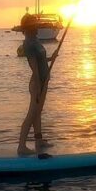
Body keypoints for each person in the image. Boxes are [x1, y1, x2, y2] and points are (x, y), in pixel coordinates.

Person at [17, 14, 58, 156]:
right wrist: (39, 87)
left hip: (43, 81)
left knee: (38, 112)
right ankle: (21, 147)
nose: (37, 27)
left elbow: (41, 60)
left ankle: (39, 141)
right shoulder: (29, 44)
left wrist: (50, 58)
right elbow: (34, 67)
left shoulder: (36, 40)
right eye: (34, 25)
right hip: (37, 83)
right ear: (28, 28)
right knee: (32, 114)